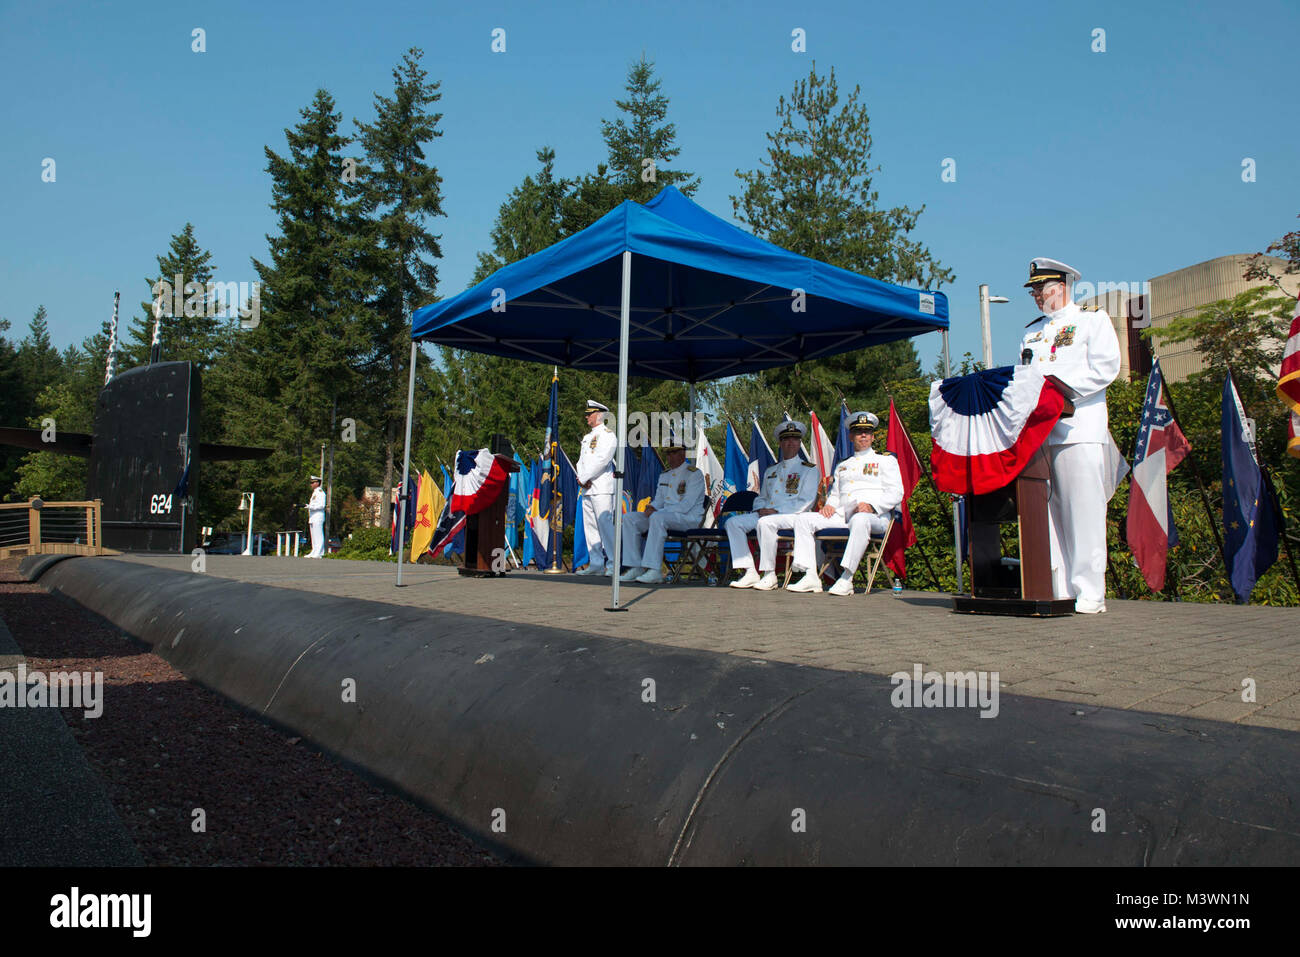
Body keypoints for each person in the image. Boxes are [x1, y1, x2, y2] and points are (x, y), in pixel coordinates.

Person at [1018, 257, 1121, 614]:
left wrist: (1058, 396)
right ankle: (1058, 586)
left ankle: (1090, 591)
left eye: (1041, 289)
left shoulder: (1091, 319)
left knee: (1084, 510)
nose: (1036, 295)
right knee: (1048, 513)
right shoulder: (1031, 331)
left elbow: (1106, 368)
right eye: (1032, 290)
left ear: (1061, 287)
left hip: (1078, 427)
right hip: (1041, 435)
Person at [787, 411, 903, 596]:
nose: (863, 435)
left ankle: (846, 578)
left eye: (867, 432)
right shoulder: (843, 465)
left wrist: (872, 506)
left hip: (875, 516)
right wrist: (830, 505)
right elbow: (836, 494)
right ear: (851, 436)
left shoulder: (885, 460)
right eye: (858, 432)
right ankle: (810, 575)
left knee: (860, 519)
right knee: (804, 520)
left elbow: (896, 493)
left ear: (873, 436)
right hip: (844, 514)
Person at [727, 418, 820, 589]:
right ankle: (750, 571)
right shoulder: (771, 471)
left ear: (800, 443)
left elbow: (806, 501)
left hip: (794, 516)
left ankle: (769, 574)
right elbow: (762, 497)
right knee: (733, 523)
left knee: (766, 522)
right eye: (786, 439)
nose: (790, 443)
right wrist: (761, 508)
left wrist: (775, 511)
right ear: (780, 443)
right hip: (768, 514)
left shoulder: (809, 469)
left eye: (794, 439)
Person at [618, 433, 705, 584]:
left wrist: (657, 512)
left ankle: (654, 570)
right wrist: (651, 506)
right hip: (665, 517)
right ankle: (635, 566)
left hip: (688, 519)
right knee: (629, 519)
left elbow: (686, 506)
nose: (670, 457)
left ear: (683, 453)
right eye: (668, 453)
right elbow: (659, 500)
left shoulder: (694, 474)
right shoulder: (664, 475)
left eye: (674, 452)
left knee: (657, 518)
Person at [575, 400, 618, 575]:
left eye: (589, 414)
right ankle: (596, 563)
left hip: (600, 486)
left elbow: (603, 460)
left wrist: (585, 477)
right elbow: (581, 461)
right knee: (590, 527)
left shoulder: (608, 435)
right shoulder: (587, 438)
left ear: (599, 415)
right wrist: (581, 478)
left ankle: (613, 564)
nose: (586, 417)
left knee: (605, 526)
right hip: (587, 488)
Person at [306, 476, 326, 558]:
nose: (311, 484)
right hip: (313, 516)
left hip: (318, 516)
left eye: (312, 482)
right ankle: (314, 550)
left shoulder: (320, 492)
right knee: (313, 535)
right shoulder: (315, 493)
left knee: (318, 535)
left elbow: (322, 505)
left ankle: (319, 552)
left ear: (317, 483)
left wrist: (311, 507)